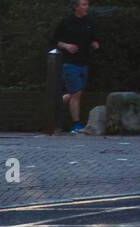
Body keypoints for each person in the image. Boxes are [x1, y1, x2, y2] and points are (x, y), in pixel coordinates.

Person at [51, 0, 100, 133]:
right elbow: (55, 41)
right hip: (69, 63)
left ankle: (53, 106)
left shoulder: (90, 22)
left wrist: (95, 43)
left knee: (75, 94)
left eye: (87, 4)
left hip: (84, 63)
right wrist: (66, 46)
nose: (87, 7)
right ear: (76, 7)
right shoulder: (66, 22)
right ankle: (76, 125)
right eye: (84, 5)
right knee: (76, 93)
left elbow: (94, 38)